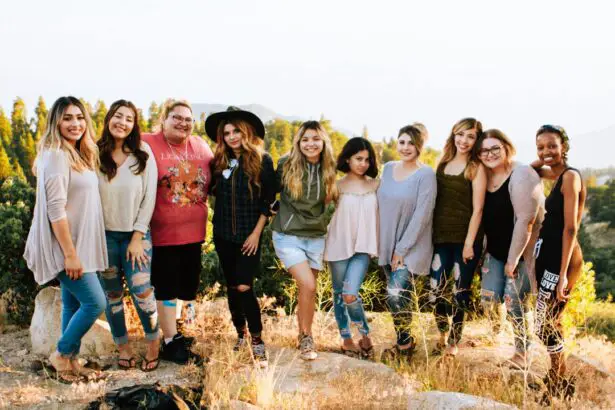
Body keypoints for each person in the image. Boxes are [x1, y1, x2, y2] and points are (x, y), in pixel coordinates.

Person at [24, 96, 108, 383]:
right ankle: (61, 353)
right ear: (56, 122)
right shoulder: (57, 155)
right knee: (95, 303)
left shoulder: (74, 153)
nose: (75, 123)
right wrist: (70, 254)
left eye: (79, 117)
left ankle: (69, 363)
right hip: (67, 247)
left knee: (72, 304)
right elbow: (55, 210)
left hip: (79, 244)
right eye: (67, 118)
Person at [142, 99, 214, 364]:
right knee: (166, 288)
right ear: (164, 119)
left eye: (188, 119)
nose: (183, 122)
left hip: (195, 232)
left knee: (187, 288)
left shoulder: (201, 146)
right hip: (163, 233)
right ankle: (170, 340)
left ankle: (179, 333)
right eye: (177, 117)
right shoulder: (148, 142)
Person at [205, 106, 275, 367]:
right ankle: (240, 333)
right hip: (223, 236)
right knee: (233, 287)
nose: (232, 136)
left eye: (236, 131)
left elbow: (268, 202)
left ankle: (257, 339)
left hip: (249, 236)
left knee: (245, 286)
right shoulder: (218, 161)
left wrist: (257, 233)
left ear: (246, 132)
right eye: (227, 132)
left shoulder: (261, 160)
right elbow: (212, 193)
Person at [97, 100, 160, 371]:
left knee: (142, 292)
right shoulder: (93, 153)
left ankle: (153, 343)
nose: (122, 122)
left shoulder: (142, 152)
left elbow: (149, 198)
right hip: (103, 238)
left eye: (129, 119)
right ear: (109, 118)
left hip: (137, 235)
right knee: (112, 296)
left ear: (134, 125)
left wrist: (137, 237)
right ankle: (122, 346)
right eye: (117, 116)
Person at [271, 120, 338, 360]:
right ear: (298, 142)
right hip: (288, 235)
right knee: (309, 285)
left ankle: (305, 336)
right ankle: (306, 337)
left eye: (315, 139)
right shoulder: (286, 165)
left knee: (308, 290)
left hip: (316, 236)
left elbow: (330, 201)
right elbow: (268, 191)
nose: (310, 144)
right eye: (305, 139)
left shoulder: (329, 168)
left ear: (323, 142)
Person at [477, 129, 543, 369]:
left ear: (506, 147)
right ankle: (499, 334)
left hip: (522, 253)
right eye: (484, 150)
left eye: (495, 148)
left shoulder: (522, 174)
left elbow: (526, 220)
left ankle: (523, 353)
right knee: (489, 298)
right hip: (494, 251)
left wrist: (513, 260)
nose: (490, 154)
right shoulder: (484, 175)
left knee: (514, 299)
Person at [532, 125, 586, 398]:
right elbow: (527, 172)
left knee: (547, 320)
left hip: (560, 258)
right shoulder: (554, 174)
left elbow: (570, 228)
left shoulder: (570, 177)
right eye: (540, 147)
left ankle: (558, 379)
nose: (546, 152)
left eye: (552, 146)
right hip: (548, 254)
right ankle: (558, 375)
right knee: (546, 319)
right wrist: (542, 160)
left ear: (564, 145)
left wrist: (563, 273)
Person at [377, 124, 437, 358]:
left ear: (420, 146)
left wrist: (401, 249)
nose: (405, 147)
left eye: (411, 143)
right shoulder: (388, 168)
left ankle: (405, 343)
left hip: (411, 247)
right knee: (396, 298)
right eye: (402, 142)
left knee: (394, 293)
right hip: (387, 244)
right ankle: (405, 342)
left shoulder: (426, 174)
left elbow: (423, 215)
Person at [429, 118, 486, 357]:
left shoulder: (476, 168)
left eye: (470, 136)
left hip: (465, 239)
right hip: (440, 237)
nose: (464, 140)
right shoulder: (442, 164)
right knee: (436, 287)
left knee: (460, 289)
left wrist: (469, 244)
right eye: (460, 135)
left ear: (476, 140)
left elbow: (478, 209)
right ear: (453, 135)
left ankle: (454, 340)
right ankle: (441, 332)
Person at [324, 137, 379, 359]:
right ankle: (346, 338)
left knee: (350, 294)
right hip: (338, 244)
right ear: (348, 159)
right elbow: (314, 210)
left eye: (367, 160)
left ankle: (364, 333)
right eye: (358, 159)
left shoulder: (376, 185)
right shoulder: (336, 186)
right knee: (339, 294)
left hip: (363, 248)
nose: (363, 164)